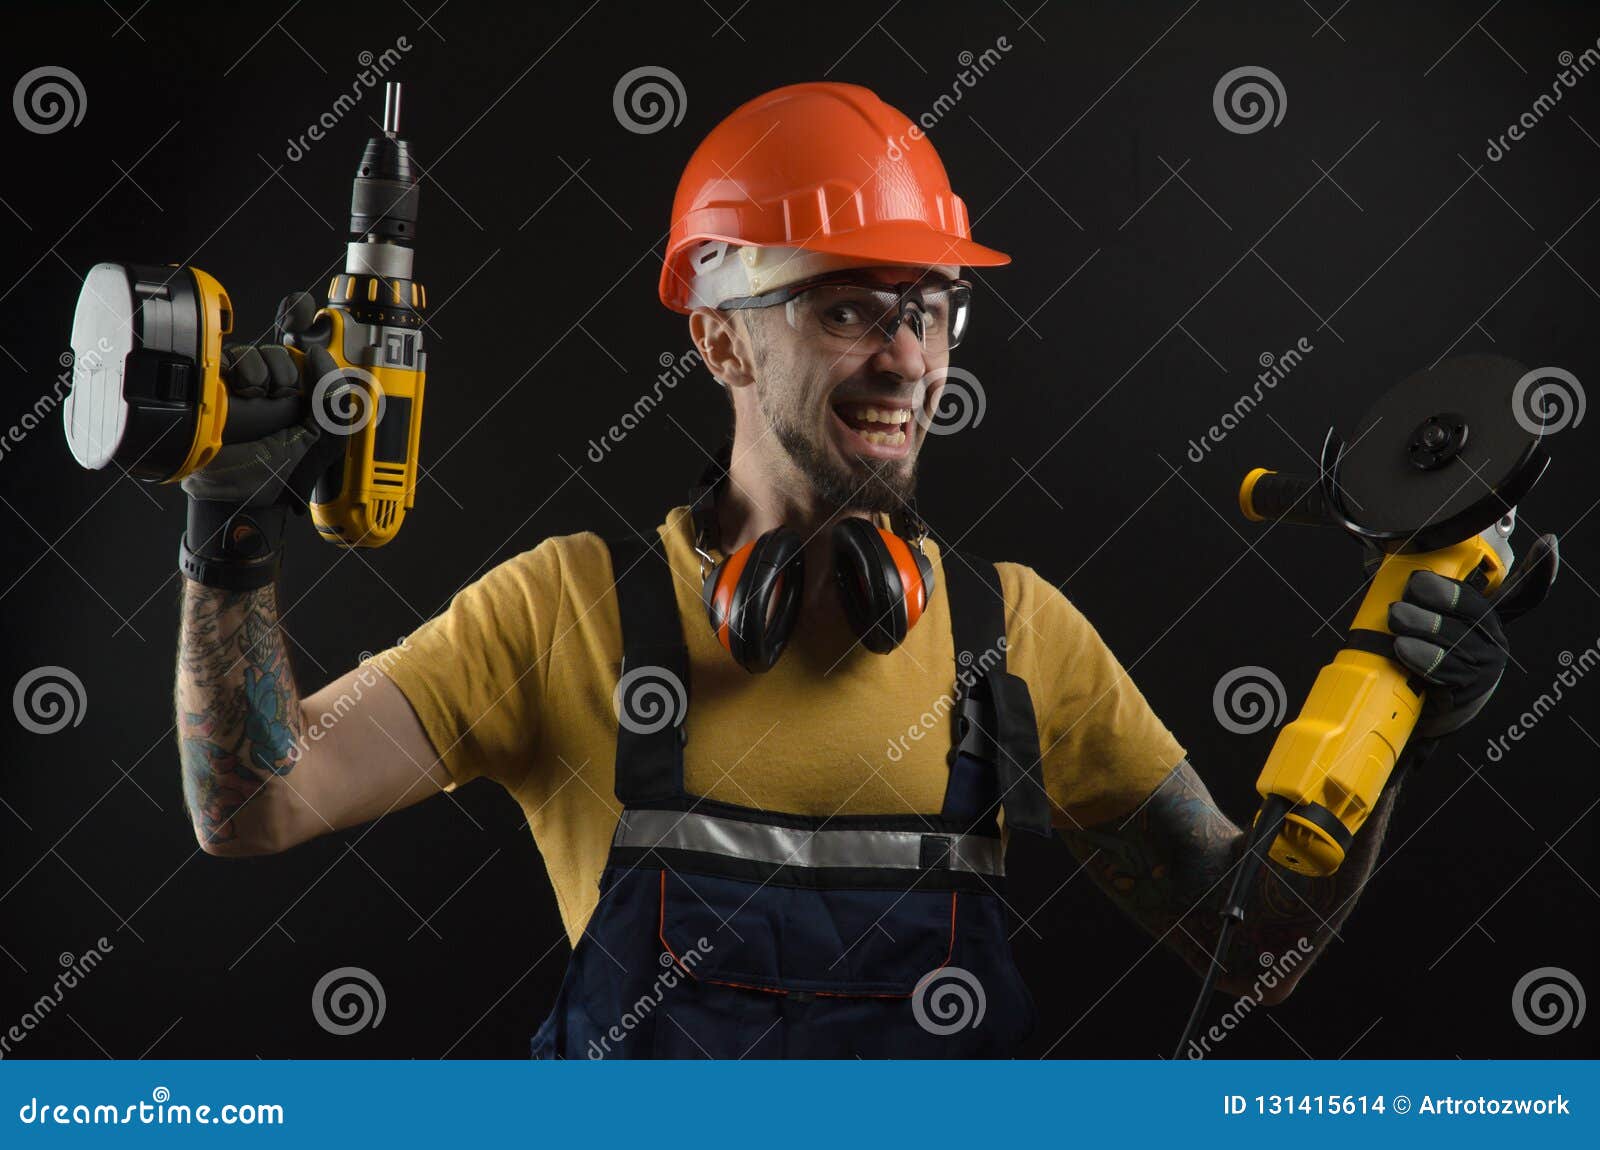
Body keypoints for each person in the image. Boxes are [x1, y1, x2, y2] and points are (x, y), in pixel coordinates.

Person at [173, 82, 1518, 1058]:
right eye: (848, 307)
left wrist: (1394, 693)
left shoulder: (1017, 635)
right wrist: (229, 534)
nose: (909, 361)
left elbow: (1257, 943)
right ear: (721, 341)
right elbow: (258, 806)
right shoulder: (564, 614)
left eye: (930, 311)